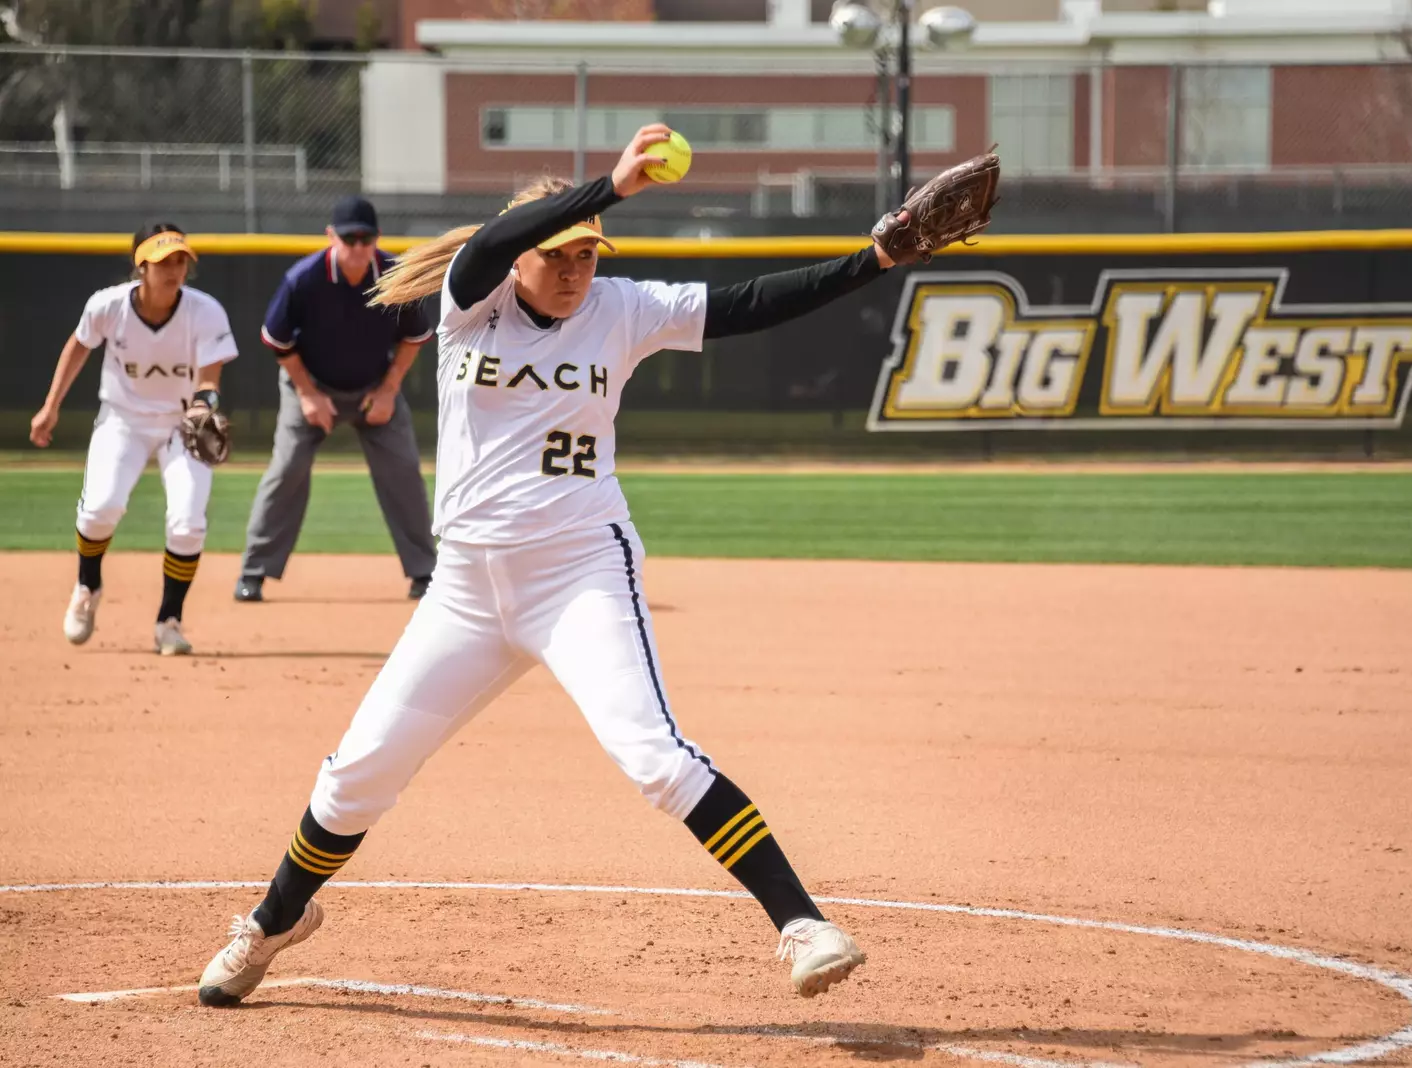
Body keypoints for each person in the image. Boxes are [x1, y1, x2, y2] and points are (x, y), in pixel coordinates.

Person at [195, 124, 942, 1007]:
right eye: (561, 252)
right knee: (358, 772)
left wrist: (874, 259)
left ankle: (802, 924)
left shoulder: (622, 308)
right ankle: (275, 922)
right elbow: (492, 243)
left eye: (590, 253)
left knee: (655, 757)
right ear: (520, 258)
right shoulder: (472, 301)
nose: (578, 266)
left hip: (580, 571)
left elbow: (747, 303)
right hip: (468, 591)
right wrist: (608, 189)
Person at [29, 224, 238, 656]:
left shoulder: (205, 311)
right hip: (122, 419)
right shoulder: (108, 305)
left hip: (181, 424)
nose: (173, 269)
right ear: (139, 265)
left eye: (180, 260)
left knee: (188, 522)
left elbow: (210, 375)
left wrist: (203, 406)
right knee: (100, 508)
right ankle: (88, 586)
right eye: (163, 261)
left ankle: (169, 622)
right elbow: (78, 347)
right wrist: (51, 406)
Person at [235, 195, 437, 604]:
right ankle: (253, 571)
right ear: (331, 237)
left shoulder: (395, 275)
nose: (359, 247)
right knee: (287, 468)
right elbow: (278, 340)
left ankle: (426, 574)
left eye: (367, 238)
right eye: (350, 238)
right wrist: (308, 395)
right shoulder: (304, 279)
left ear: (377, 238)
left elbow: (415, 337)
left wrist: (389, 389)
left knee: (403, 473)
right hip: (310, 384)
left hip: (375, 386)